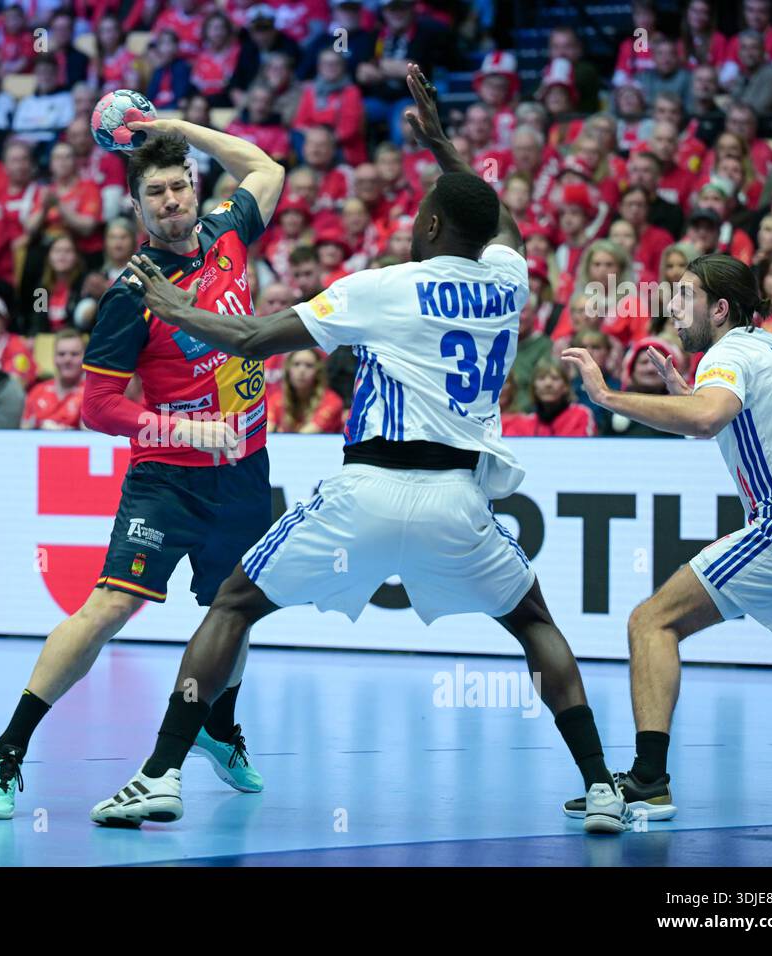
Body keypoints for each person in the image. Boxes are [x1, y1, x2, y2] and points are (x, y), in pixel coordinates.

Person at [91, 65, 625, 835]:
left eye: (422, 214)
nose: (413, 223)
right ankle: (602, 786)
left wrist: (173, 305)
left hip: (366, 491)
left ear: (434, 229)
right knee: (534, 623)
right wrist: (444, 147)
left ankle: (159, 775)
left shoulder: (382, 286)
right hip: (460, 503)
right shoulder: (511, 282)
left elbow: (249, 338)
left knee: (235, 605)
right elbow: (495, 219)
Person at [0, 117, 285, 821]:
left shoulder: (230, 232)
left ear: (195, 188)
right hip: (167, 477)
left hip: (243, 470)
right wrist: (185, 427)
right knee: (110, 607)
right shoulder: (130, 291)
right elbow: (97, 407)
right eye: (156, 194)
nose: (172, 201)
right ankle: (6, 750)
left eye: (180, 186)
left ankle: (217, 726)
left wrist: (174, 128)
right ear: (137, 210)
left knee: (233, 616)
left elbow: (266, 167)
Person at [561, 253, 772, 821]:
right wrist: (689, 394)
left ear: (719, 309)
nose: (673, 308)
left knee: (651, 621)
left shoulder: (729, 351)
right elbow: (729, 416)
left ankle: (647, 780)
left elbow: (708, 419)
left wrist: (609, 397)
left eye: (684, 297)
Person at [265, 348, 344, 433]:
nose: (302, 370)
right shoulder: (276, 398)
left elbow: (306, 436)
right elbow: (267, 431)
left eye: (309, 365)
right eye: (296, 364)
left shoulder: (332, 401)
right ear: (288, 370)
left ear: (318, 372)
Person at [22, 328, 85, 430]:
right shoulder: (37, 391)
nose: (67, 359)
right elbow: (22, 431)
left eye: (74, 354)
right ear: (54, 358)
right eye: (61, 354)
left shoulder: (91, 394)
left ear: (84, 358)